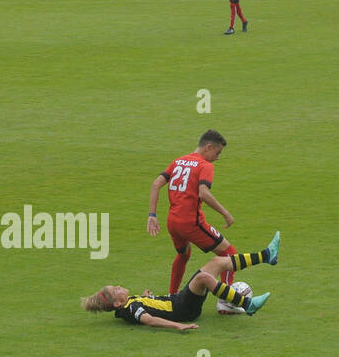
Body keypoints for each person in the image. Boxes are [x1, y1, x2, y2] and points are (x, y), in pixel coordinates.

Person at [81, 236, 280, 331]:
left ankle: (266, 256)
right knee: (204, 278)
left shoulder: (130, 303)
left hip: (179, 301)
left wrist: (146, 297)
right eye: (114, 290)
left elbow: (146, 308)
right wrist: (178, 326)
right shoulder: (130, 308)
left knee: (217, 262)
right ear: (116, 303)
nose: (117, 286)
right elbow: (148, 320)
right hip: (182, 309)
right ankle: (247, 305)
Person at [147, 129, 240, 295]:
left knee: (183, 255)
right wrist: (225, 213)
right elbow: (203, 193)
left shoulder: (178, 161)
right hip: (191, 223)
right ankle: (227, 300)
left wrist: (152, 215)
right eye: (217, 153)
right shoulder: (205, 165)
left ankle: (172, 295)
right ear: (208, 147)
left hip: (173, 223)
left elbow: (155, 184)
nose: (217, 158)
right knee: (229, 254)